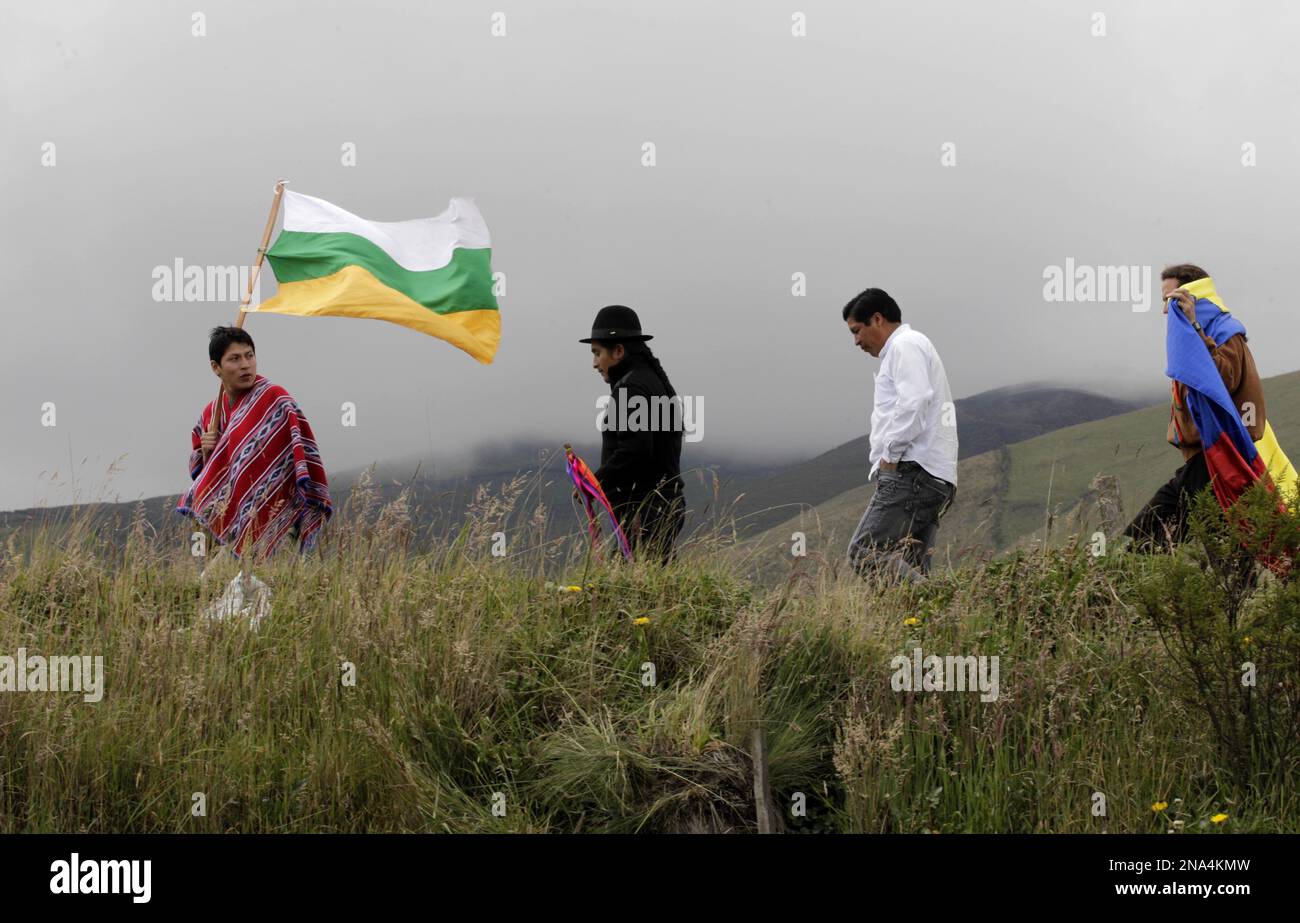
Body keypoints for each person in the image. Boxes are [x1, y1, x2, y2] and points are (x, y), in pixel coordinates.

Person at [1123, 264, 1270, 551]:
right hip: (1206, 458)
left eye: (1170, 300)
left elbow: (1220, 379)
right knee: (1216, 542)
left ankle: (1125, 585)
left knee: (1151, 532)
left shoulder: (1226, 333)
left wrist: (1195, 326)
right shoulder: (1196, 338)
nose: (1165, 311)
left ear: (1192, 298)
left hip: (1219, 456)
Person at [177, 326, 332, 558]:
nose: (245, 365)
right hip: (226, 514)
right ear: (215, 367)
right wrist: (208, 451)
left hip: (276, 511)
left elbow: (300, 446)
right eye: (234, 359)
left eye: (249, 356)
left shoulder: (273, 399)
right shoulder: (211, 414)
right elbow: (205, 476)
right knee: (208, 570)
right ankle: (199, 567)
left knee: (243, 580)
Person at [843, 288, 958, 582]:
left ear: (877, 319)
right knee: (913, 566)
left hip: (911, 473)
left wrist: (889, 459)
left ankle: (938, 602)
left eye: (857, 331)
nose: (856, 341)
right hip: (931, 475)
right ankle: (935, 621)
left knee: (865, 552)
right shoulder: (911, 346)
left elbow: (915, 400)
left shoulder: (904, 346)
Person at [580, 305, 685, 564]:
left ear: (618, 351)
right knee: (655, 581)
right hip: (662, 506)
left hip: (644, 510)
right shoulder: (652, 382)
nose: (594, 363)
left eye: (597, 353)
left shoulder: (630, 388)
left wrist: (595, 481)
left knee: (635, 588)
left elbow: (635, 449)